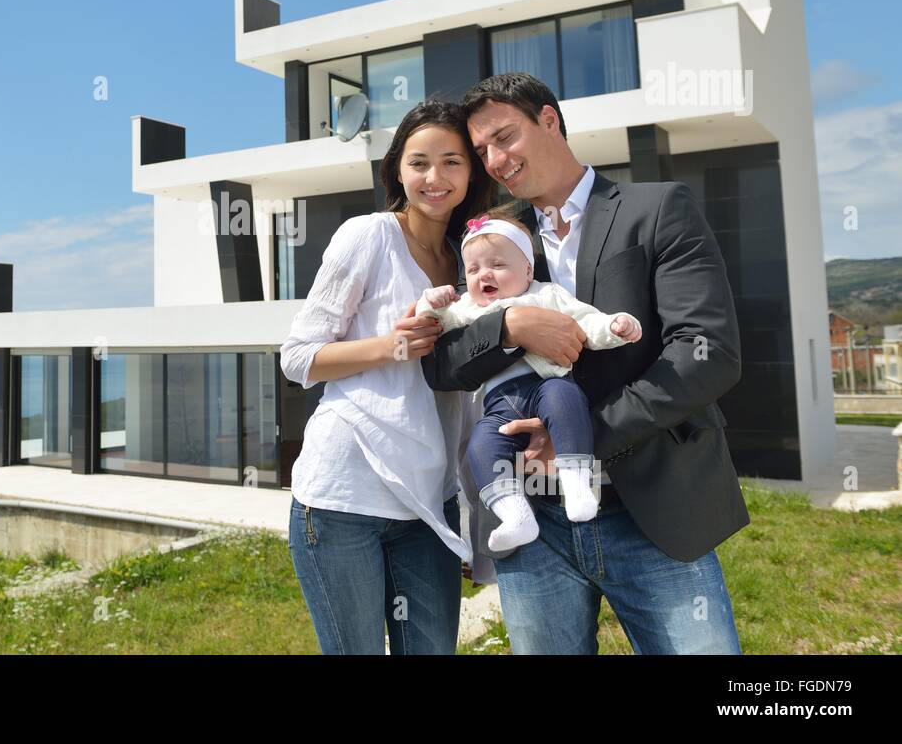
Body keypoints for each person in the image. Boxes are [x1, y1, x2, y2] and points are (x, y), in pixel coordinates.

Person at [422, 71, 749, 654]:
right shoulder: (499, 242)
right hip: (534, 521)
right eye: (482, 151)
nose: (494, 160)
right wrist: (509, 325)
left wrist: (583, 438)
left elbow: (706, 353)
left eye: (505, 137)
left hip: (650, 507)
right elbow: (443, 364)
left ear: (549, 120)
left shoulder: (657, 208)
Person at [279, 99, 494, 654]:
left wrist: (480, 529)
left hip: (431, 503)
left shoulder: (473, 263)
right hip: (344, 496)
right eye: (419, 162)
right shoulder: (368, 236)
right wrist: (390, 345)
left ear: (471, 172)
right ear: (397, 169)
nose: (434, 177)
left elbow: (470, 404)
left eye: (451, 162)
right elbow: (298, 357)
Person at [416, 213, 641, 551]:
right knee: (480, 446)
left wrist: (613, 327)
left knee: (564, 401)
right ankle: (515, 514)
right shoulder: (468, 307)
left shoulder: (548, 294)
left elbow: (584, 321)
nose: (484, 275)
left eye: (496, 265)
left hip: (545, 383)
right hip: (498, 406)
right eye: (473, 269)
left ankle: (577, 483)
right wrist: (430, 304)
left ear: (528, 270)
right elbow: (442, 324)